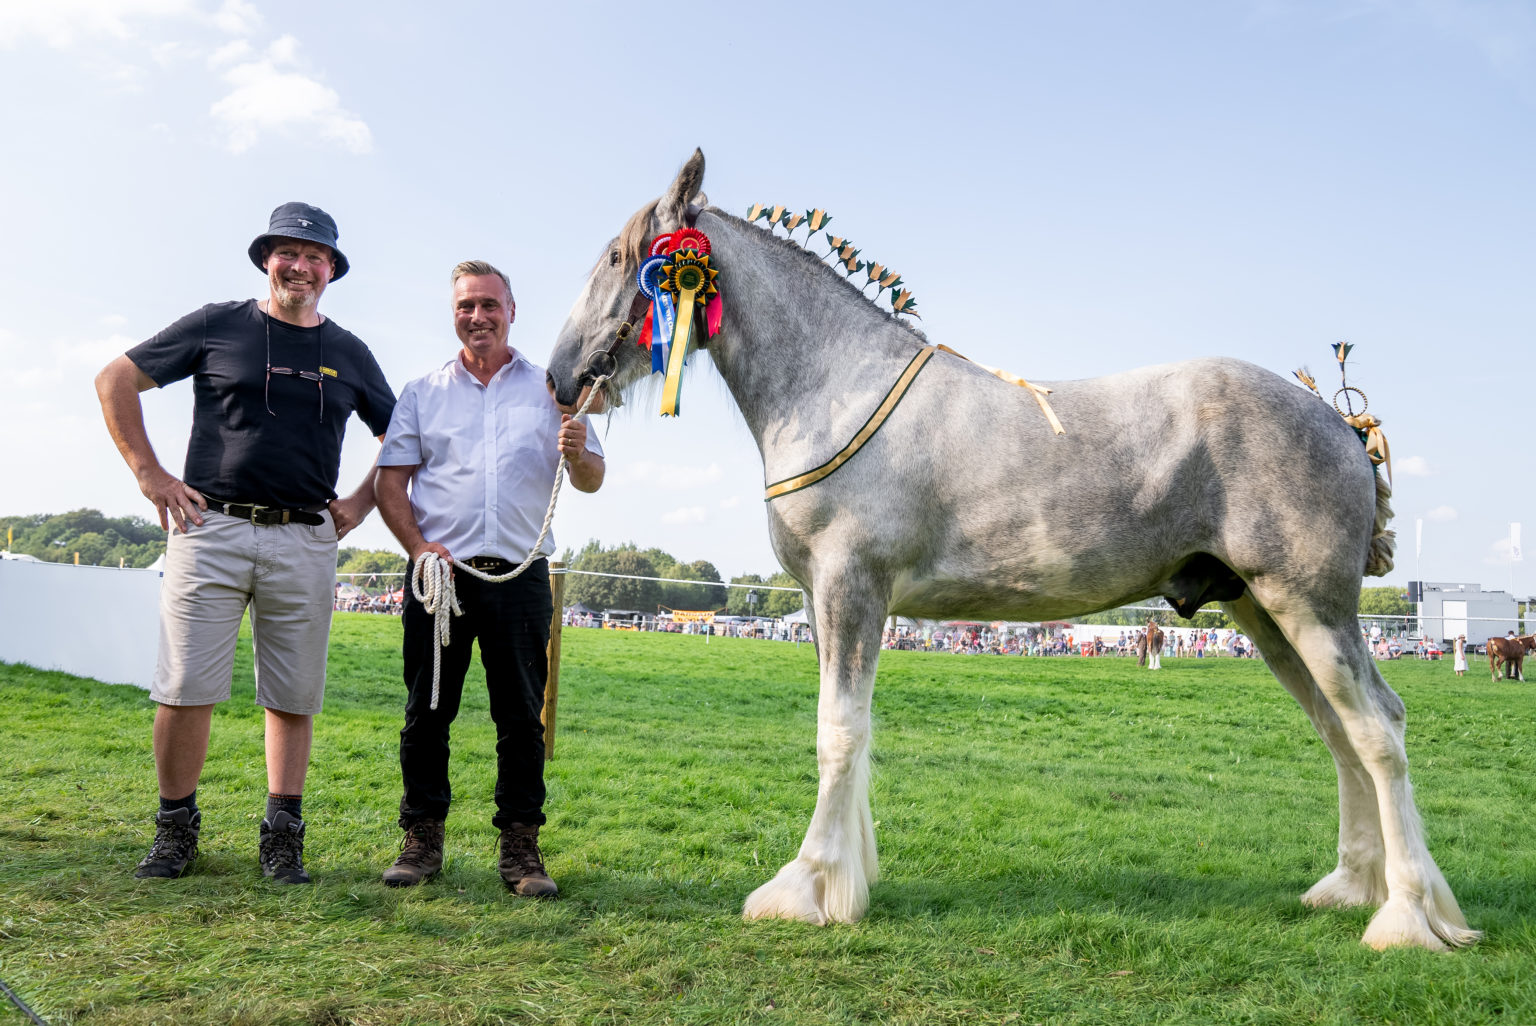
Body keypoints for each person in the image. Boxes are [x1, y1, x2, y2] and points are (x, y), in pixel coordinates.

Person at [95, 203, 395, 883]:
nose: (301, 266)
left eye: (315, 256)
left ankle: (282, 838)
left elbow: (401, 435)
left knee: (292, 696)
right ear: (267, 260)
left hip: (305, 536)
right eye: (288, 252)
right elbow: (115, 379)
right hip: (211, 530)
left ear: (331, 270)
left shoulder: (349, 352)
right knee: (184, 687)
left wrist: (360, 502)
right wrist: (150, 475)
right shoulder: (218, 324)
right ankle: (175, 831)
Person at [375, 260, 605, 895]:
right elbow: (390, 484)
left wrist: (578, 452)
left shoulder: (553, 388)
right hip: (440, 580)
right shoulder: (422, 392)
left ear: (511, 311)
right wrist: (418, 547)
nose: (477, 317)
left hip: (521, 578)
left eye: (489, 305)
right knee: (426, 713)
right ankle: (421, 839)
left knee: (522, 719)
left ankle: (521, 848)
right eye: (466, 306)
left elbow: (591, 479)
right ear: (454, 313)